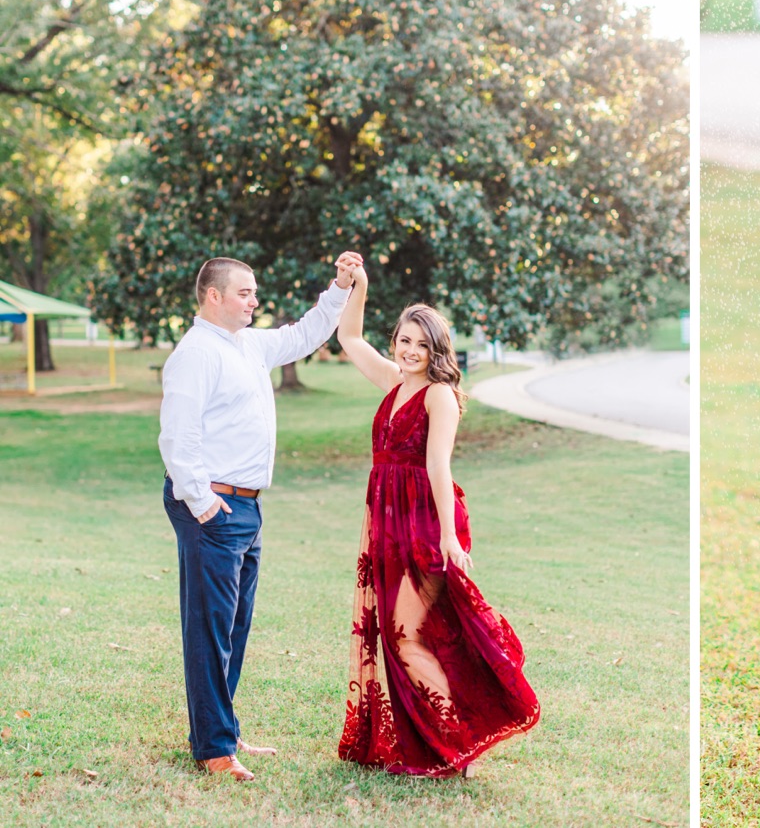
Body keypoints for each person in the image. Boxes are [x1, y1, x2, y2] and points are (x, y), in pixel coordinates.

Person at [160, 251, 362, 782]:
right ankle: (213, 749)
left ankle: (220, 727)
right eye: (245, 293)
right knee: (210, 628)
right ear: (214, 297)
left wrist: (340, 287)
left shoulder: (248, 344)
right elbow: (178, 437)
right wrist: (203, 503)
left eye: (253, 293)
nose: (254, 301)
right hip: (215, 507)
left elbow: (307, 332)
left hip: (246, 506)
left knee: (235, 625)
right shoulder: (196, 354)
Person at [334, 262, 539, 777]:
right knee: (403, 635)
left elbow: (438, 465)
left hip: (424, 521)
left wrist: (449, 536)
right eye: (403, 341)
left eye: (419, 345)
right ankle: (442, 739)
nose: (408, 351)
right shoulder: (392, 380)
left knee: (407, 633)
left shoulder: (439, 395)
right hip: (386, 519)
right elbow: (349, 336)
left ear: (435, 351)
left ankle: (457, 742)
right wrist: (360, 287)